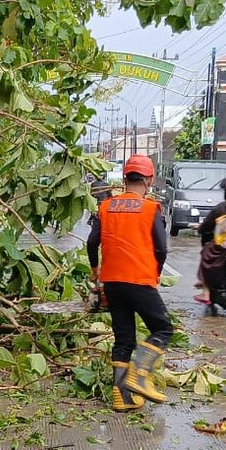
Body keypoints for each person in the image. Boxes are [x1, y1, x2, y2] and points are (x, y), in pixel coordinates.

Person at [87, 154, 174, 413]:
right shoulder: (151, 209)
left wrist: (95, 271)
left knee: (124, 338)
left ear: (125, 178)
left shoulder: (105, 207)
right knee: (163, 329)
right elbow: (161, 249)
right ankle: (140, 374)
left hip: (112, 282)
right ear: (149, 180)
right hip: (139, 280)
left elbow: (93, 243)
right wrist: (154, 274)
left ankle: (121, 397)